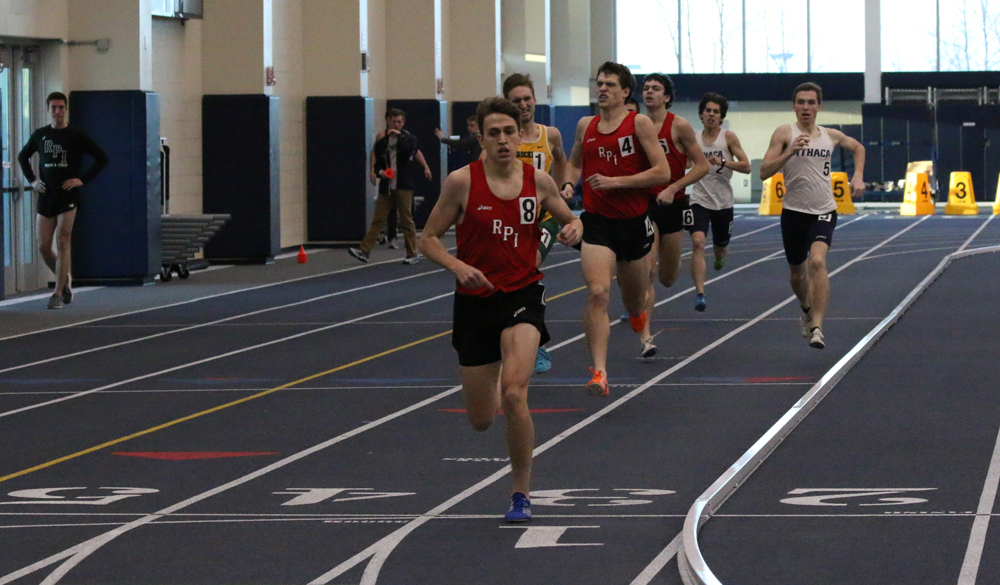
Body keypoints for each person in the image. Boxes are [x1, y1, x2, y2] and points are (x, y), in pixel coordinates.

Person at [418, 96, 582, 522]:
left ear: (518, 132)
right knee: (480, 420)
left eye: (509, 131)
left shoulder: (539, 180)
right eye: (494, 133)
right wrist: (458, 266)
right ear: (481, 135)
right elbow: (429, 237)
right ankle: (489, 385)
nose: (504, 140)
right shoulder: (462, 182)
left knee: (514, 393)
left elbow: (570, 218)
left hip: (522, 296)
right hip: (474, 303)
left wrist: (573, 227)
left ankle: (521, 493)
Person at [561, 62, 671, 396]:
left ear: (625, 92)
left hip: (634, 224)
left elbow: (662, 173)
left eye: (609, 84)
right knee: (597, 292)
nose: (602, 89)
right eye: (599, 83)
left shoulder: (638, 123)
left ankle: (638, 315)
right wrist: (568, 184)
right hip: (597, 223)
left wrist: (616, 182)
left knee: (635, 301)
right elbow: (576, 160)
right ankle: (599, 372)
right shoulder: (585, 125)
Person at [760, 82, 865, 350]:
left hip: (824, 210)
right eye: (801, 102)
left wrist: (858, 176)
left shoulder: (830, 135)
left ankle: (817, 327)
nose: (806, 107)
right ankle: (806, 307)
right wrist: (790, 151)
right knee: (797, 273)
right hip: (793, 213)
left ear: (820, 106)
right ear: (793, 106)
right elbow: (764, 172)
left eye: (811, 102)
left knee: (817, 262)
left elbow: (858, 148)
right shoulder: (784, 133)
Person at [503, 73, 569, 375]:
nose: (523, 104)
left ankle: (538, 339)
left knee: (529, 266)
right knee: (510, 278)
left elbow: (562, 159)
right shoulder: (502, 139)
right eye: (516, 101)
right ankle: (517, 331)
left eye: (527, 98)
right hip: (510, 221)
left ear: (535, 100)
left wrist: (563, 188)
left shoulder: (549, 134)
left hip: (542, 218)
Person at [639, 73, 709, 354]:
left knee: (667, 277)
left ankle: (672, 266)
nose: (649, 93)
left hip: (674, 203)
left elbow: (702, 166)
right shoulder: (633, 127)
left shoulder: (679, 126)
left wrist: (675, 187)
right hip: (643, 203)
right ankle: (645, 337)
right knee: (648, 270)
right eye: (645, 88)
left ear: (667, 96)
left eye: (655, 89)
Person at [17, 92, 108, 310]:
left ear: (66, 109)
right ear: (48, 109)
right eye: (54, 107)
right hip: (47, 194)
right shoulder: (41, 135)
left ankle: (57, 293)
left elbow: (101, 158)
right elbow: (23, 156)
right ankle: (64, 280)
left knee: (63, 240)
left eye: (61, 107)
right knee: (43, 246)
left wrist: (81, 180)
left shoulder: (75, 135)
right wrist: (32, 180)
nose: (58, 112)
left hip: (67, 195)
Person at [687, 92, 751, 309]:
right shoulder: (693, 138)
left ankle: (720, 255)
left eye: (716, 112)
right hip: (699, 199)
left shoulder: (728, 137)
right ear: (701, 115)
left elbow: (746, 165)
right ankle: (700, 294)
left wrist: (723, 162)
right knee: (697, 242)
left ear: (721, 117)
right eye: (708, 111)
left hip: (723, 202)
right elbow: (684, 163)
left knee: (720, 247)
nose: (711, 115)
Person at [353, 108, 433, 264]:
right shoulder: (381, 141)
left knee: (406, 220)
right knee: (378, 219)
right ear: (388, 121)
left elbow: (410, 151)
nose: (396, 124)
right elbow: (376, 158)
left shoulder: (409, 139)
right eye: (394, 121)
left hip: (404, 185)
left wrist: (425, 166)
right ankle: (364, 250)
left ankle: (412, 253)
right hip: (387, 186)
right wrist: (377, 171)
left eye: (399, 121)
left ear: (403, 122)